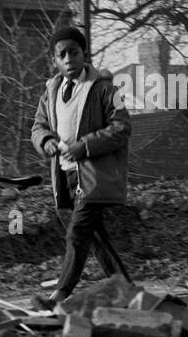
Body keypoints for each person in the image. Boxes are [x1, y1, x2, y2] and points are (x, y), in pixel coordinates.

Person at [31, 27, 133, 308]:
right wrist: (47, 140)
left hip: (93, 175)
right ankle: (128, 292)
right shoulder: (50, 91)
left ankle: (60, 294)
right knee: (95, 236)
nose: (68, 59)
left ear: (83, 54)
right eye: (61, 55)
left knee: (77, 233)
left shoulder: (105, 88)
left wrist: (85, 146)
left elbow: (122, 127)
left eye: (73, 52)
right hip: (63, 175)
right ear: (54, 60)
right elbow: (38, 126)